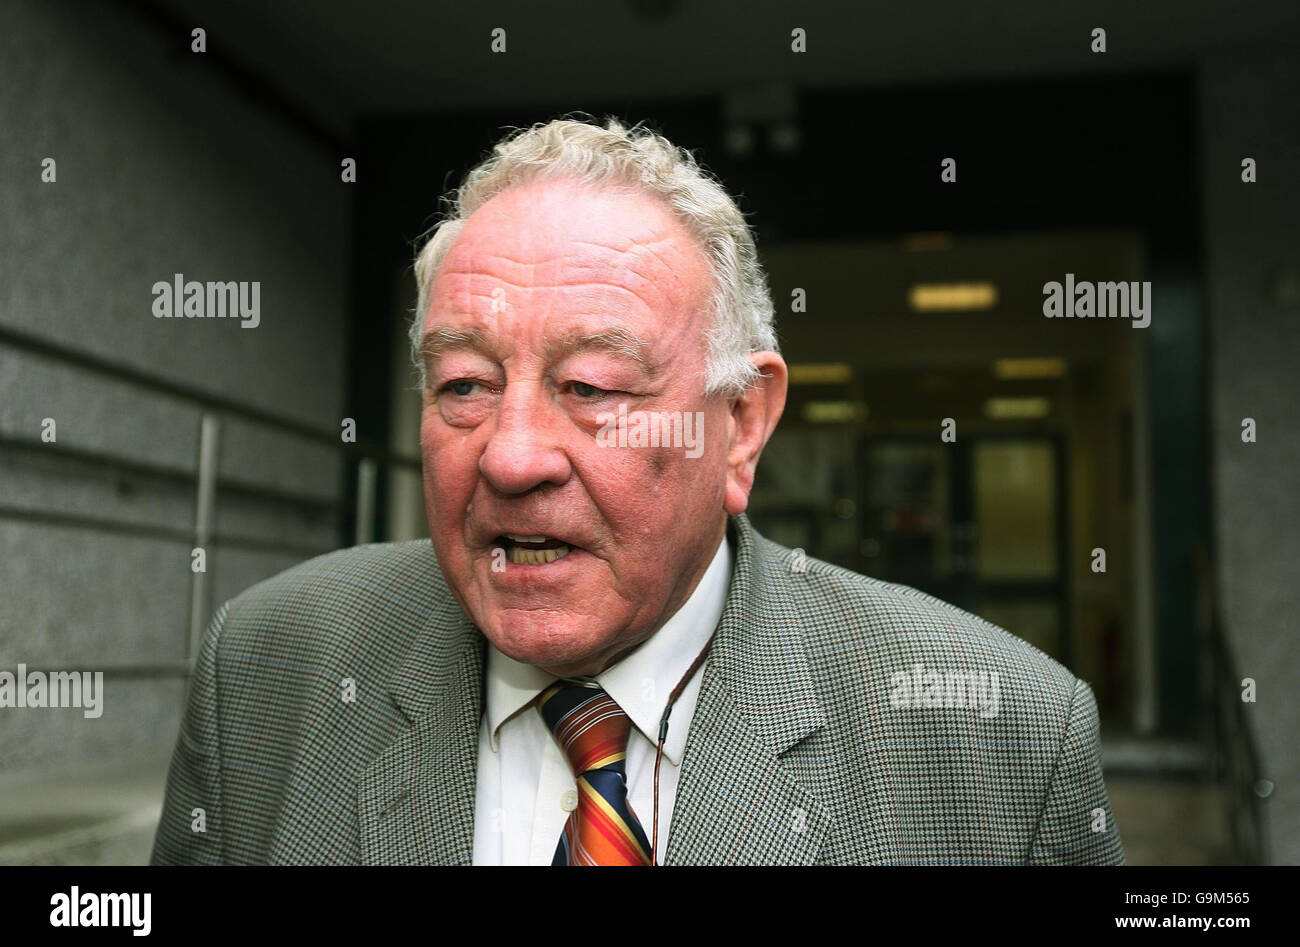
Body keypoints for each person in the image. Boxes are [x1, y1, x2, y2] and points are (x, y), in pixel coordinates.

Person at [151, 116, 1124, 866]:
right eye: (464, 385)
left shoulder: (1002, 739)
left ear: (739, 421)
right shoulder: (268, 668)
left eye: (592, 389)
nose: (511, 455)